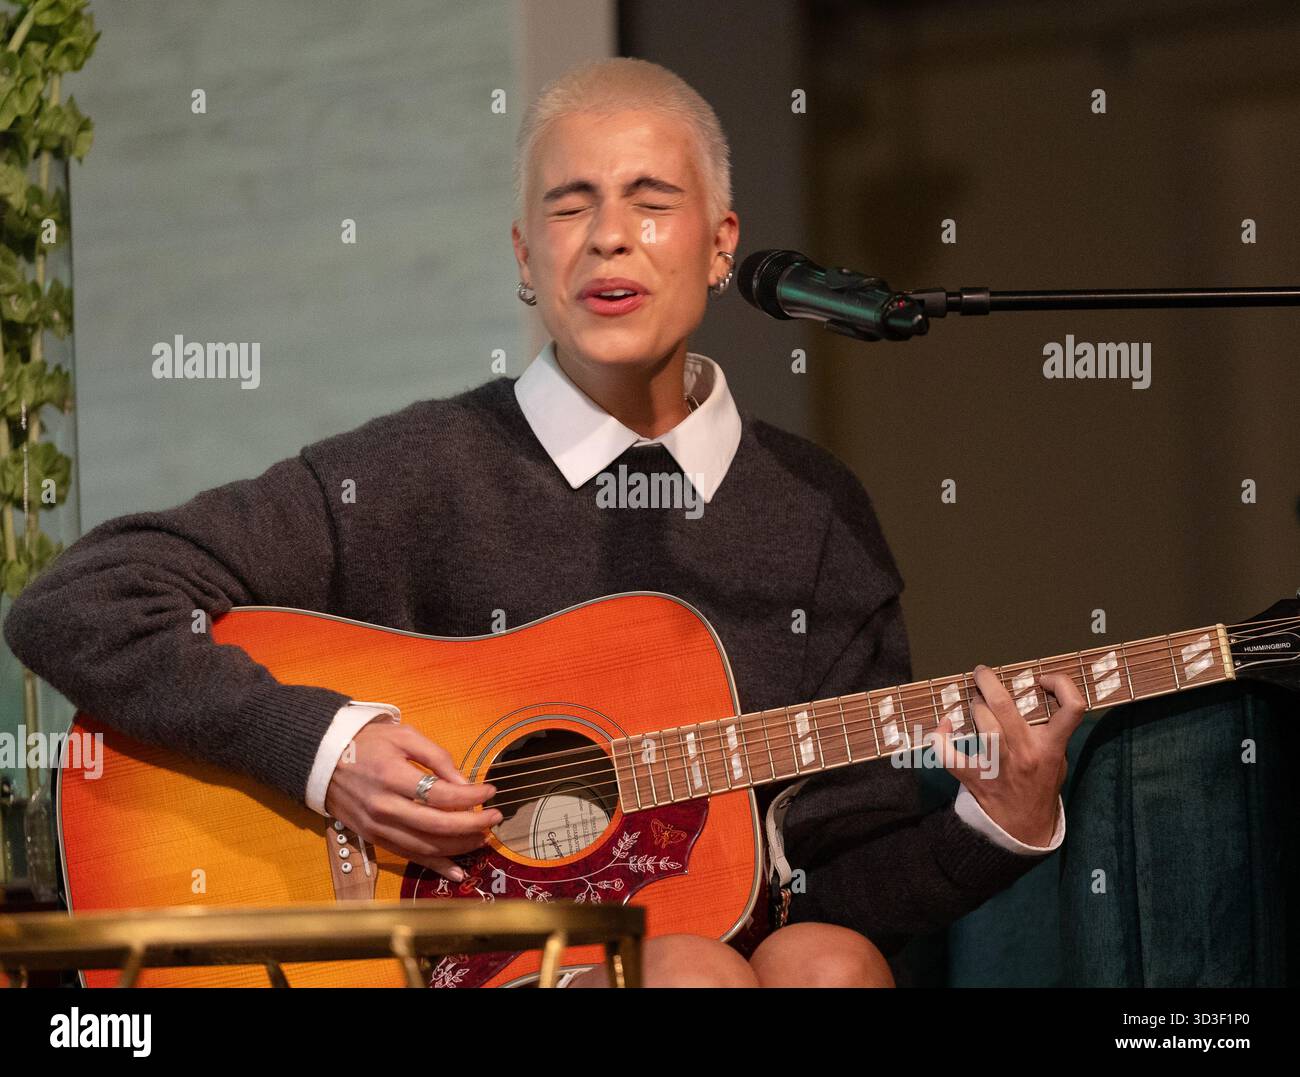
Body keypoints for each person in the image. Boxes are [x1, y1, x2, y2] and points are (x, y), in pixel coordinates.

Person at [3, 57, 1083, 987]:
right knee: (687, 968)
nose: (608, 237)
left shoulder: (815, 514)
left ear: (720, 244)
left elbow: (837, 880)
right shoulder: (417, 472)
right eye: (570, 205)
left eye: (651, 200)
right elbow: (80, 602)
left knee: (830, 962)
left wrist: (1000, 821)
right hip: (439, 956)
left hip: (737, 955)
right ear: (526, 258)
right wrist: (327, 751)